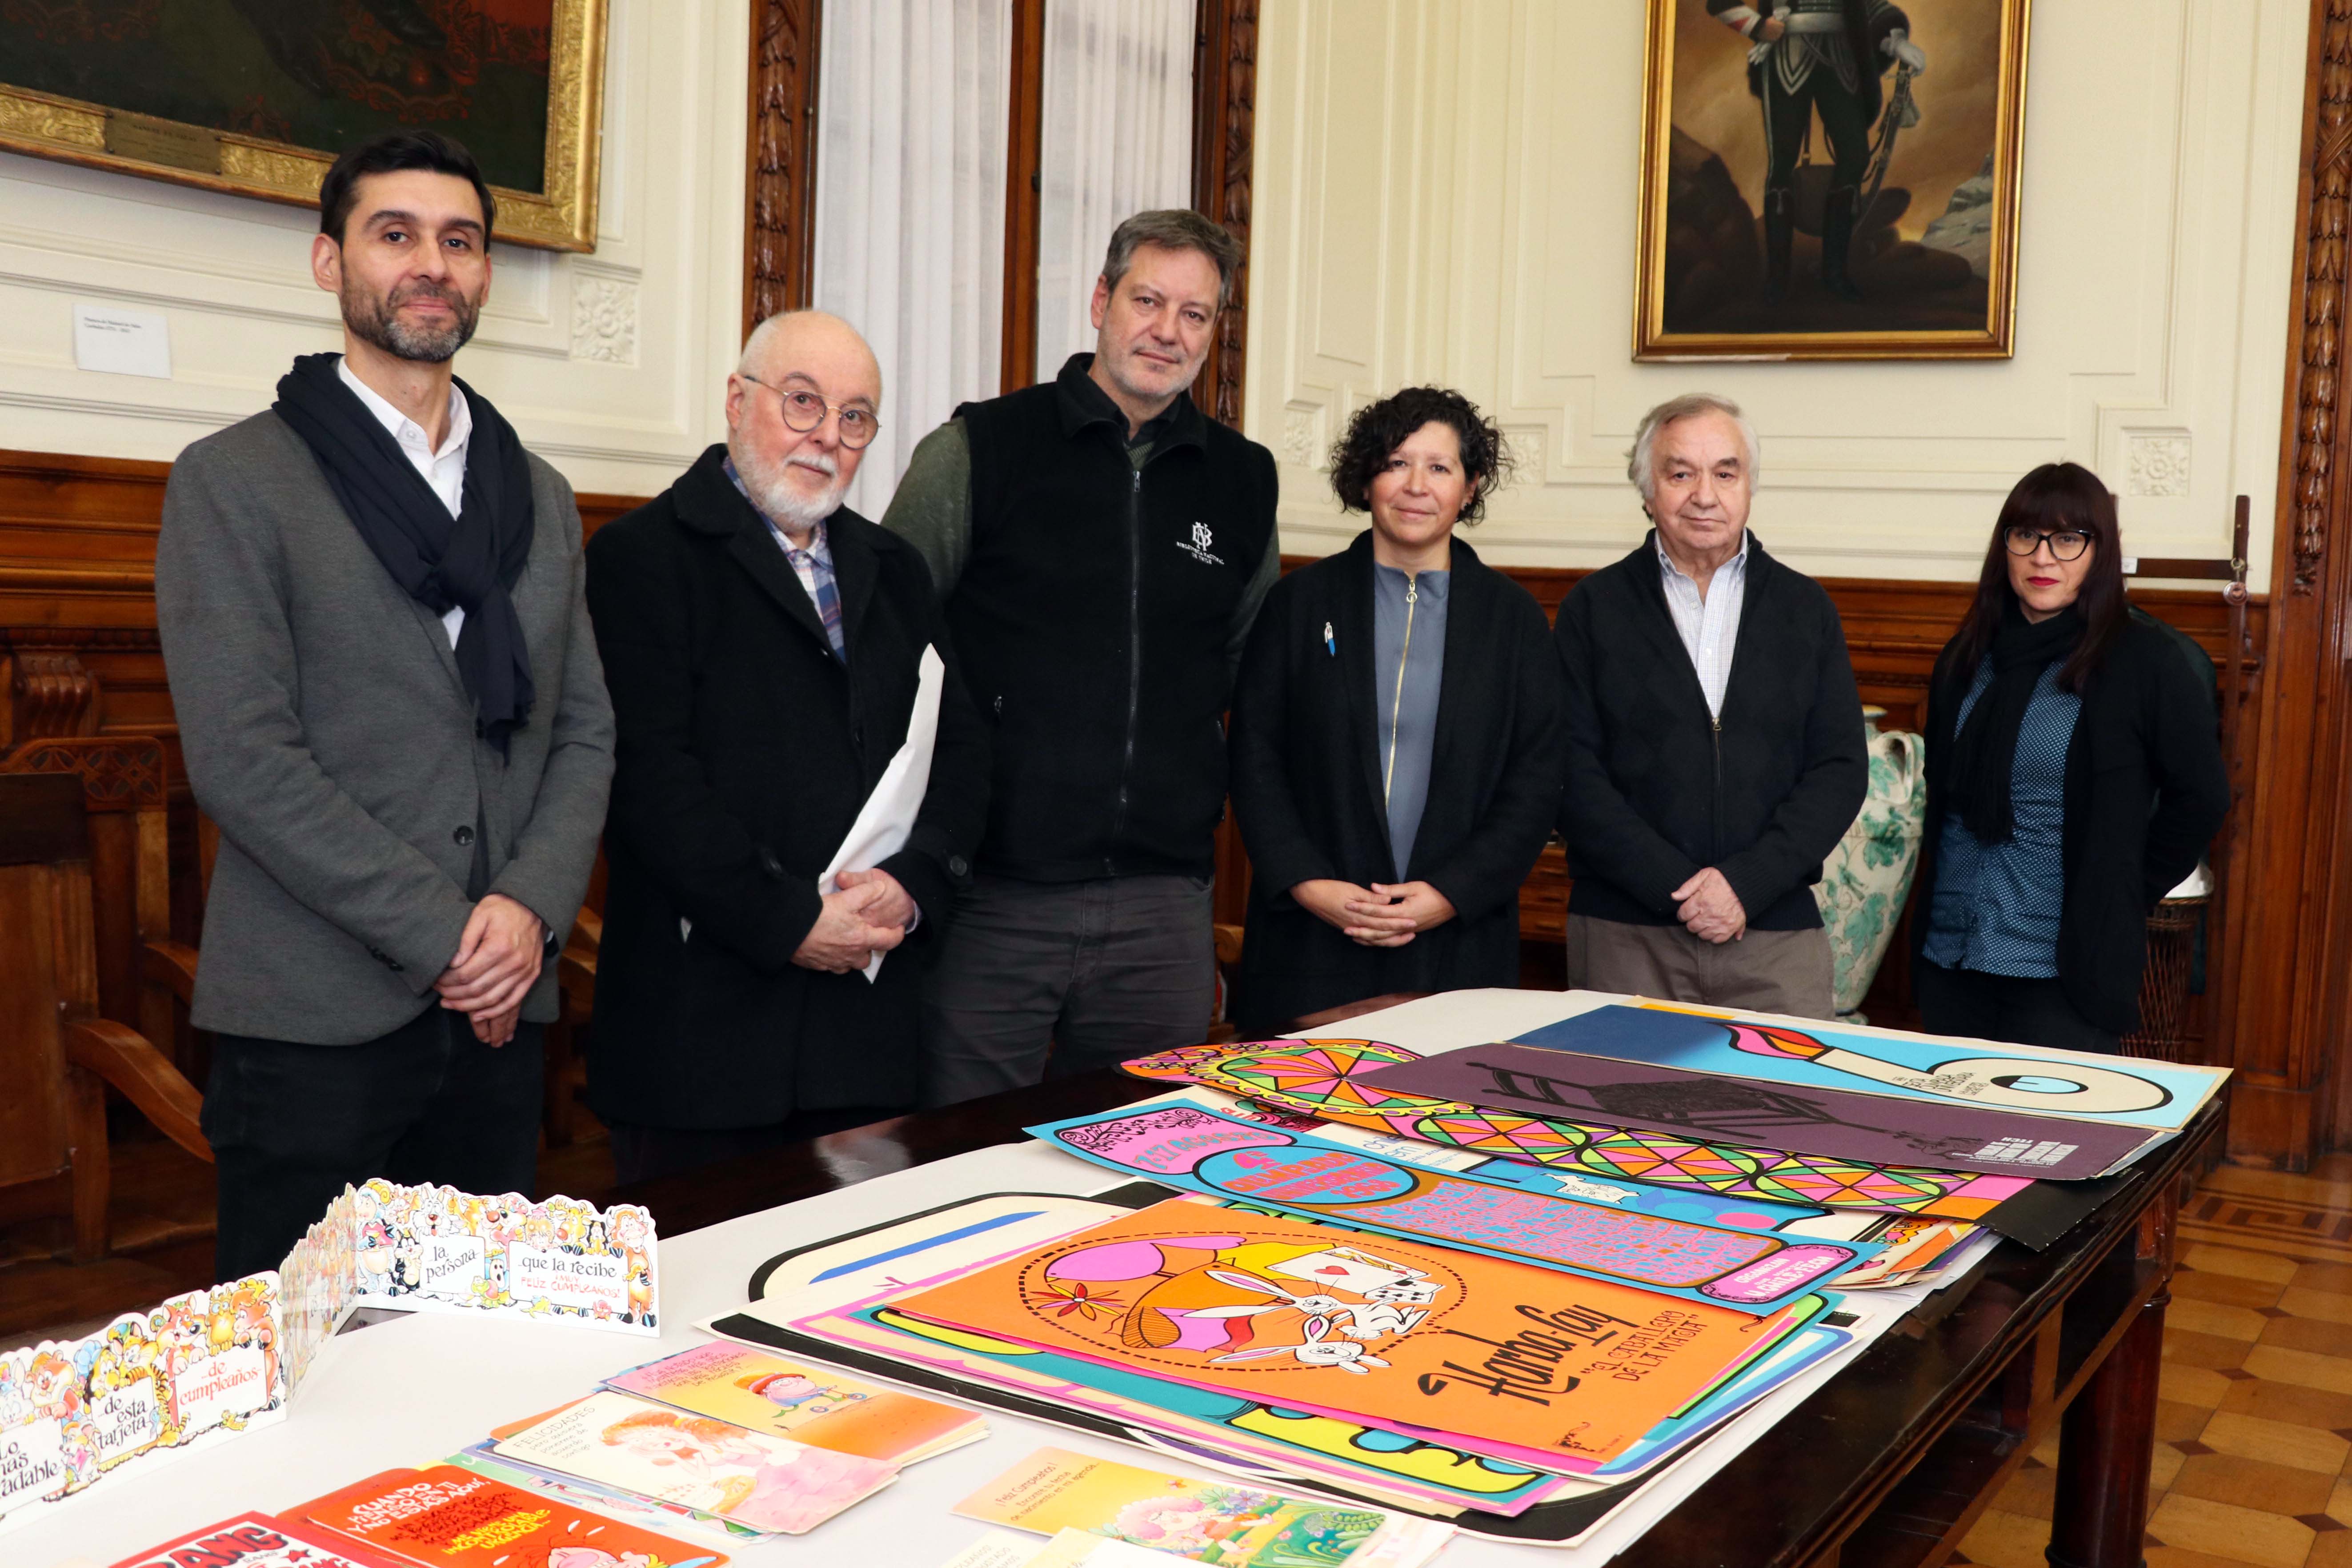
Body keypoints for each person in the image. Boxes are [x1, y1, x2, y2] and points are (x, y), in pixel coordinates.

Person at [155, 131, 614, 1280]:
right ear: (329, 262)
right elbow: (243, 758)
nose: (431, 263)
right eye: (394, 234)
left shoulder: (541, 497)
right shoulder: (234, 481)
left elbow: (582, 728)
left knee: (474, 1368)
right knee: (297, 1393)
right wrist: (449, 934)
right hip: (316, 1023)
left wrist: (526, 910)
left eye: (459, 241)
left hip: (500, 1017)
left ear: (486, 275)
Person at [583, 310, 989, 1184]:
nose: (825, 437)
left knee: (852, 1290)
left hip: (865, 1030)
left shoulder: (897, 568)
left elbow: (959, 748)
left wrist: (914, 884)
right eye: (802, 402)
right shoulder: (640, 557)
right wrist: (791, 921)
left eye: (853, 417)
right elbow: (647, 778)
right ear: (737, 400)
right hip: (703, 1035)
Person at [884, 209, 1278, 1104]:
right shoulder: (977, 450)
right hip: (989, 892)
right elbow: (890, 647)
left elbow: (1247, 664)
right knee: (958, 1161)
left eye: (1194, 314)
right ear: (1101, 302)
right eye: (1146, 300)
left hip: (1162, 904)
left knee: (1145, 1167)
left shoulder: (1242, 478)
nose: (1166, 331)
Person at [1227, 387, 1563, 1032]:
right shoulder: (1297, 604)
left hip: (1456, 940)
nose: (1415, 485)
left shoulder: (1513, 620)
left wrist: (1447, 896)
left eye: (1439, 467)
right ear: (1366, 476)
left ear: (1469, 488)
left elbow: (1535, 781)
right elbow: (1255, 757)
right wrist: (1307, 884)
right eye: (1395, 462)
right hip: (1310, 936)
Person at [1555, 392, 1866, 1017]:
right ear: (1646, 491)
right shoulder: (1592, 608)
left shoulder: (1805, 610)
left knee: (1787, 1110)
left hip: (1773, 934)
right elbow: (1567, 772)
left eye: (1725, 472)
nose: (1704, 493)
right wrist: (1677, 890)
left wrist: (1743, 885)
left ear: (1749, 486)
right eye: (1679, 473)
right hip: (1625, 934)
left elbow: (1837, 770)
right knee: (1614, 1108)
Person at [1912, 463, 2229, 1051]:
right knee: (1949, 1142)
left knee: (2037, 1143)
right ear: (2002, 546)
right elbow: (1939, 801)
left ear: (2098, 552)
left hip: (2059, 974)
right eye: (2024, 535)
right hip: (1950, 959)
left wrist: (2119, 889)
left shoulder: (2144, 662)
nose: (2042, 558)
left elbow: (2201, 796)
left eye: (2066, 539)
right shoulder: (1965, 657)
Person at [1707, 0, 1927, 301]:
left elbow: (1870, 6)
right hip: (1787, 54)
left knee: (1855, 156)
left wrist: (1895, 40)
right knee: (1782, 163)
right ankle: (1777, 279)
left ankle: (1834, 273)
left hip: (1840, 58)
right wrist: (1758, 27)